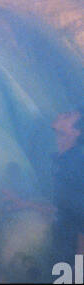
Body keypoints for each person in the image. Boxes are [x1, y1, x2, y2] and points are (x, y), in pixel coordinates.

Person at [51, 103, 84, 263]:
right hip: (64, 253)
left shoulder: (76, 165)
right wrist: (25, 205)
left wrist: (77, 270)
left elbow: (81, 220)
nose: (63, 113)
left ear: (76, 132)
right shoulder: (64, 161)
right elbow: (63, 212)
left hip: (70, 258)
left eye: (69, 115)